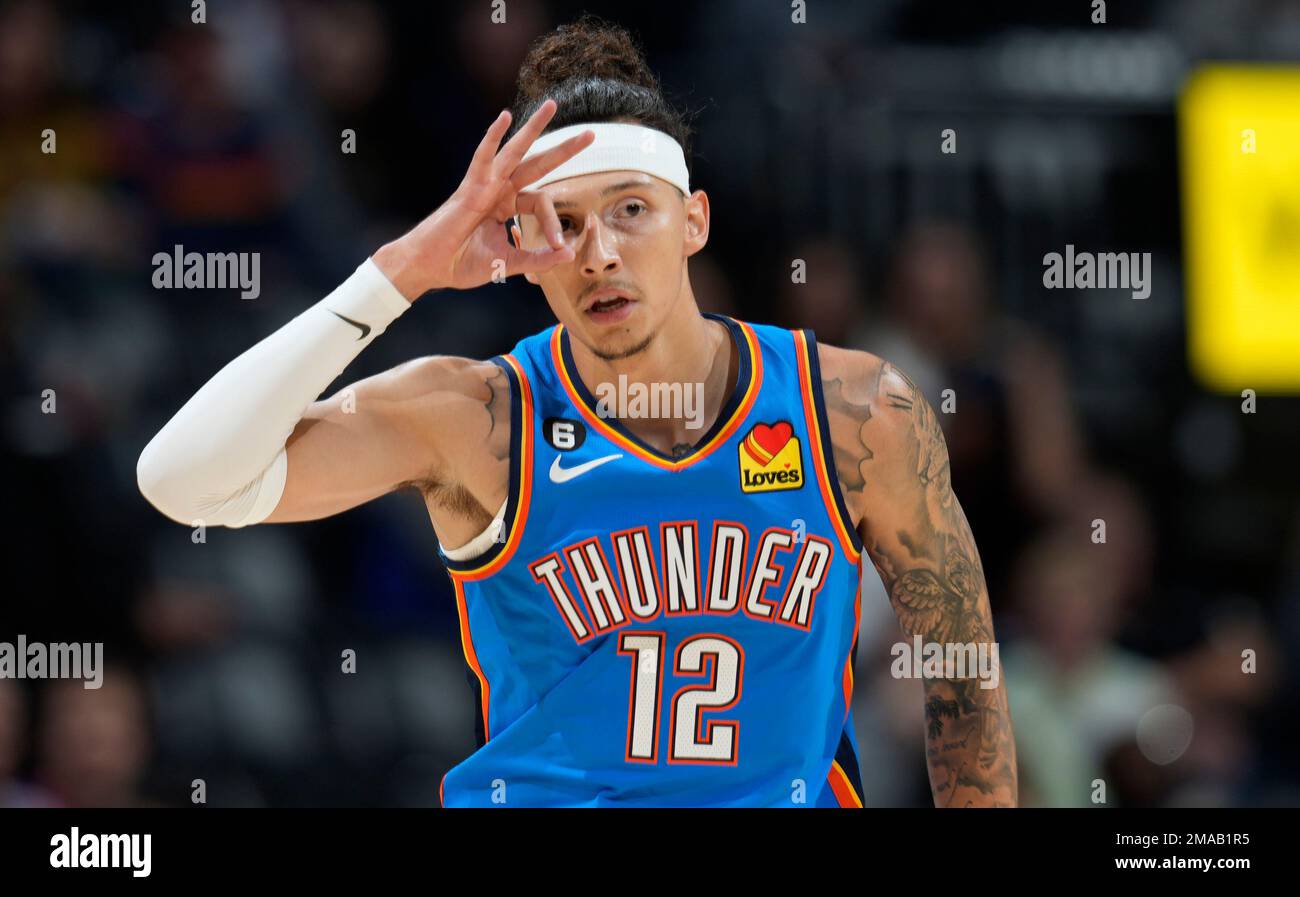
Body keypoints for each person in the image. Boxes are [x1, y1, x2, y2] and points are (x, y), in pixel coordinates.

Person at [136, 16, 1016, 807]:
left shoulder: (853, 410)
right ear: (521, 244)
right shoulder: (480, 418)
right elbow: (183, 480)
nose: (597, 253)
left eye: (631, 210)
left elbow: (964, 675)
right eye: (561, 222)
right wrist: (401, 271)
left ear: (694, 221)